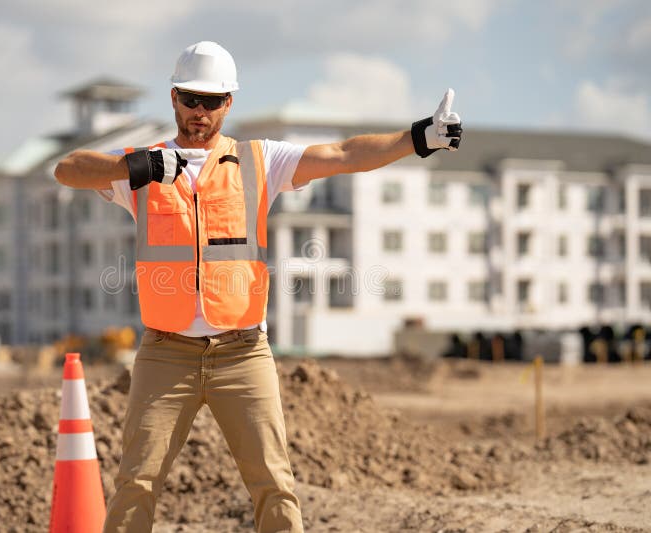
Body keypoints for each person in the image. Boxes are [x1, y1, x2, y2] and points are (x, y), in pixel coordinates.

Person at [55, 40, 463, 533]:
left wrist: (419, 137)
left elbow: (342, 154)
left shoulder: (259, 161)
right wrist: (132, 167)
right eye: (189, 99)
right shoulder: (145, 166)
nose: (198, 111)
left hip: (243, 352)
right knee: (137, 483)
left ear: (229, 103)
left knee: (273, 483)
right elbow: (67, 169)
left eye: (211, 100)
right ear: (173, 98)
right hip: (166, 353)